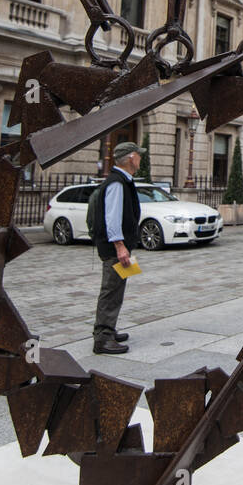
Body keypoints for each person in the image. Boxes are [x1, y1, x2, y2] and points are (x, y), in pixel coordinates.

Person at [92, 141, 143, 354]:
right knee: (110, 290)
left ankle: (108, 329)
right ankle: (103, 338)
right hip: (116, 249)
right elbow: (112, 218)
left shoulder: (123, 181)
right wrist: (120, 246)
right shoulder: (117, 183)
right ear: (131, 158)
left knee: (116, 289)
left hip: (120, 247)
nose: (141, 159)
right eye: (139, 156)